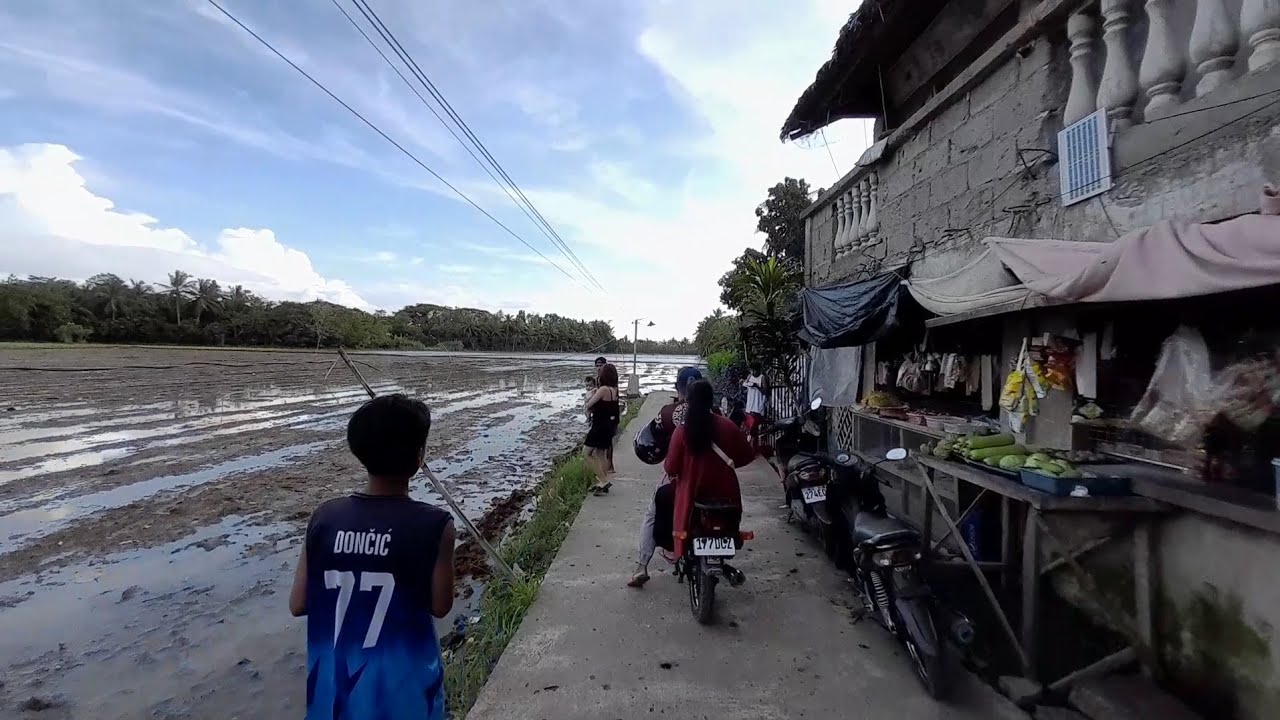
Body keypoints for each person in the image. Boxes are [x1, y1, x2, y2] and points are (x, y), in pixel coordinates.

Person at [289, 394, 455, 720]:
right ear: (419, 455)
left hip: (333, 697)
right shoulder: (435, 524)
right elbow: (440, 606)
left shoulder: (325, 517)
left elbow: (299, 604)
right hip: (408, 697)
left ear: (359, 452)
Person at [663, 379, 755, 562]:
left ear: (688, 401)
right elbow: (747, 455)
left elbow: (671, 467)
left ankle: (675, 549)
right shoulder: (727, 426)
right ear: (711, 400)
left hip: (692, 493)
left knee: (663, 499)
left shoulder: (682, 431)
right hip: (726, 492)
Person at [627, 366, 702, 588]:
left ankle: (642, 566)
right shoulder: (715, 413)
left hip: (678, 475)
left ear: (678, 388)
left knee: (652, 513)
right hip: (710, 476)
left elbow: (651, 439)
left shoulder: (669, 413)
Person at [584, 362, 620, 495]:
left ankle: (604, 480)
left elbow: (589, 404)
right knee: (600, 453)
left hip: (599, 426)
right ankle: (602, 481)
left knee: (586, 453)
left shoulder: (603, 389)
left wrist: (591, 394)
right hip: (608, 427)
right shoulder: (614, 390)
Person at [594, 357, 617, 474]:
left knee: (608, 440)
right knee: (603, 442)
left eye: (601, 365)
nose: (599, 368)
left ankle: (610, 464)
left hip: (610, 413)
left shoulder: (610, 380)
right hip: (600, 413)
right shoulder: (597, 380)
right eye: (597, 366)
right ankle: (604, 466)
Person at [742, 362, 769, 451]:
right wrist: (744, 383)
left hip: (758, 405)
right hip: (750, 404)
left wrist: (756, 386)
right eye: (751, 370)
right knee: (749, 425)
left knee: (754, 426)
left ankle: (754, 447)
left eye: (754, 370)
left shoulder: (762, 378)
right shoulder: (750, 376)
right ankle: (751, 446)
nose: (753, 372)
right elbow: (745, 385)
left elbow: (765, 391)